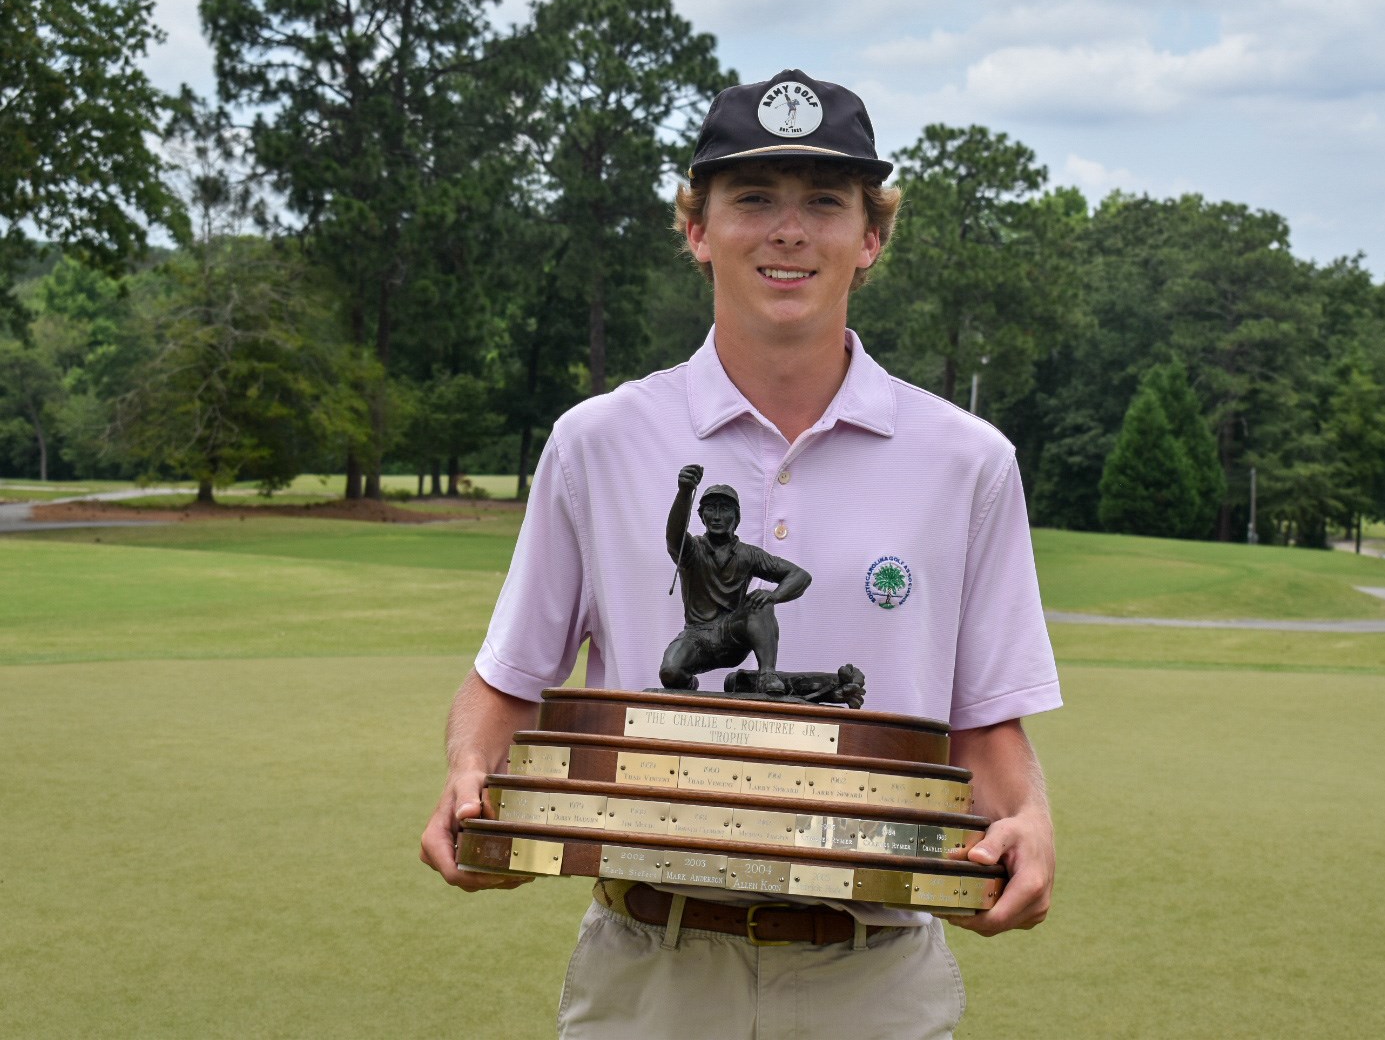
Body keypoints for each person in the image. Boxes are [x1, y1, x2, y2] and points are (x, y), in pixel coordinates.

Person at [420, 68, 1061, 1039]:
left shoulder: (968, 462)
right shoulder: (598, 441)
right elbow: (508, 682)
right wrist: (472, 772)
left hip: (875, 974)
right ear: (697, 227)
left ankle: (775, 678)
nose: (788, 229)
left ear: (871, 236)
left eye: (824, 202)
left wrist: (1030, 823)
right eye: (753, 197)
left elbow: (984, 724)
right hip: (651, 965)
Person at [658, 466, 810, 695]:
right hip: (697, 636)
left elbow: (800, 575)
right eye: (710, 509)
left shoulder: (748, 554)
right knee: (670, 671)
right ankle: (688, 685)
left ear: (737, 518)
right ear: (701, 516)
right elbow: (674, 536)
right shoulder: (692, 550)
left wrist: (774, 596)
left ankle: (767, 673)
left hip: (731, 634)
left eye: (725, 509)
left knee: (760, 603)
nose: (717, 516)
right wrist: (684, 492)